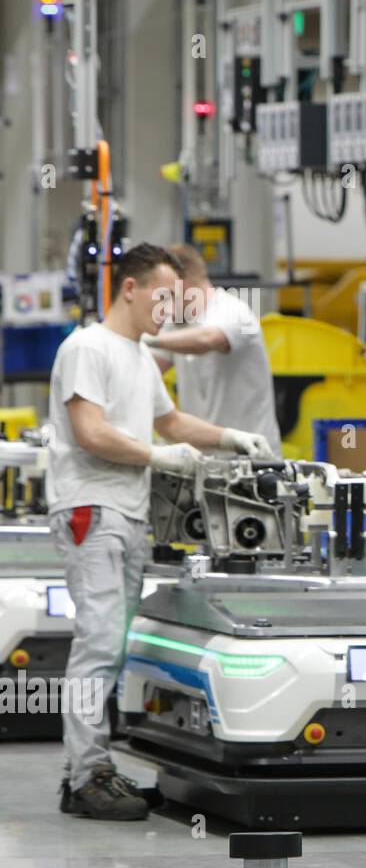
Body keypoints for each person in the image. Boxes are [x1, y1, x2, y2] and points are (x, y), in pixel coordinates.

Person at [47, 243, 274, 821]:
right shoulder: (87, 347)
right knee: (97, 642)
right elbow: (91, 432)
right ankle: (85, 774)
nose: (172, 308)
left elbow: (170, 420)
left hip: (127, 511)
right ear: (129, 288)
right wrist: (161, 456)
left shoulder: (137, 356)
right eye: (164, 296)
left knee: (113, 641)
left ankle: (93, 766)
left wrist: (227, 437)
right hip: (90, 509)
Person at [147, 243, 281, 454]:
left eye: (166, 294)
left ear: (184, 281)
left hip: (250, 455)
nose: (163, 305)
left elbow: (207, 340)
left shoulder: (235, 311)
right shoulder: (177, 322)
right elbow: (149, 368)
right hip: (205, 455)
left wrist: (147, 339)